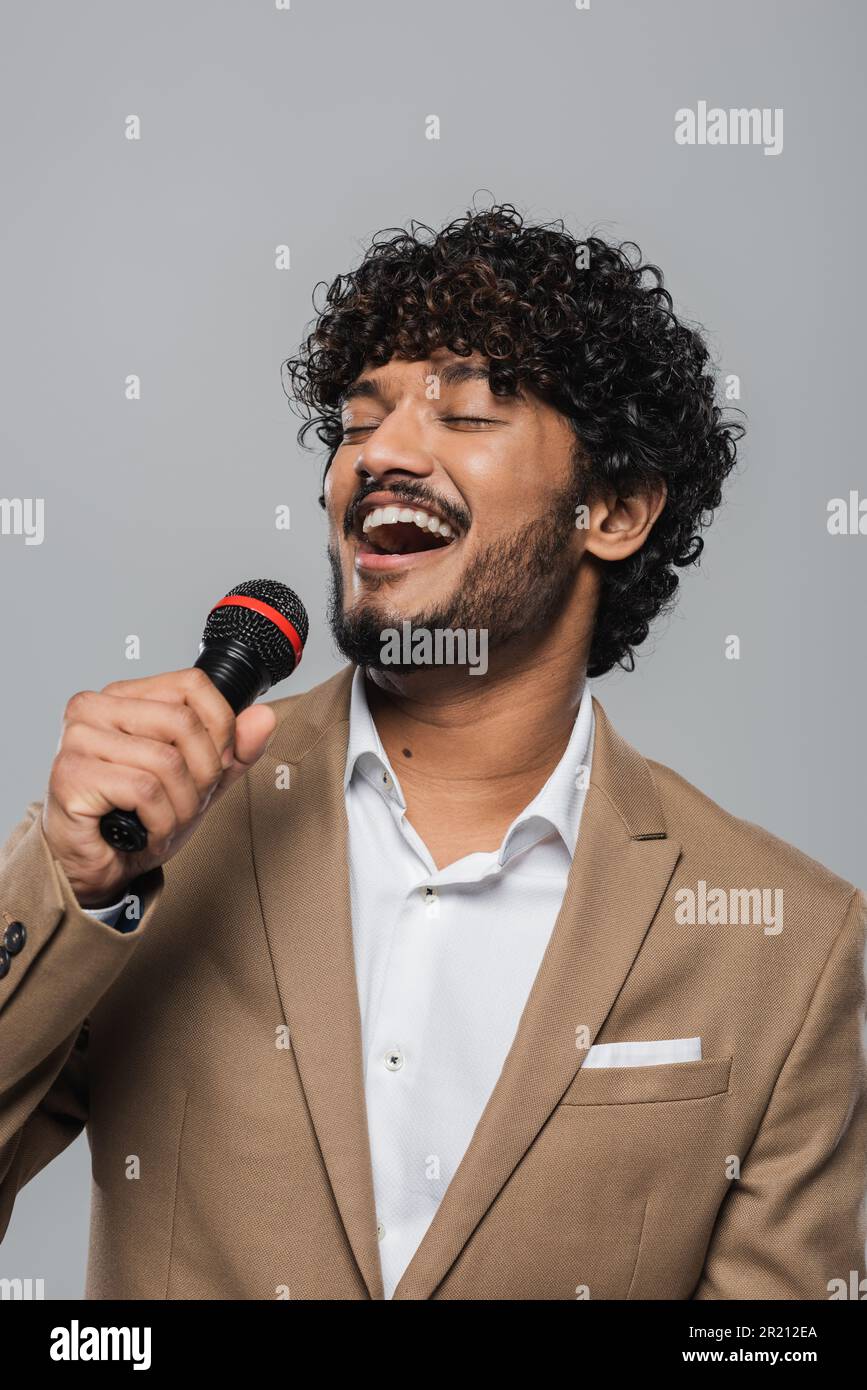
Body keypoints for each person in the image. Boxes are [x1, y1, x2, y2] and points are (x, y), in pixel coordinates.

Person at [1, 204, 864, 1300]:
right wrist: (70, 882)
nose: (382, 457)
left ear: (614, 509)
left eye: (463, 415)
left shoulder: (785, 938)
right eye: (357, 426)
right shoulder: (165, 845)